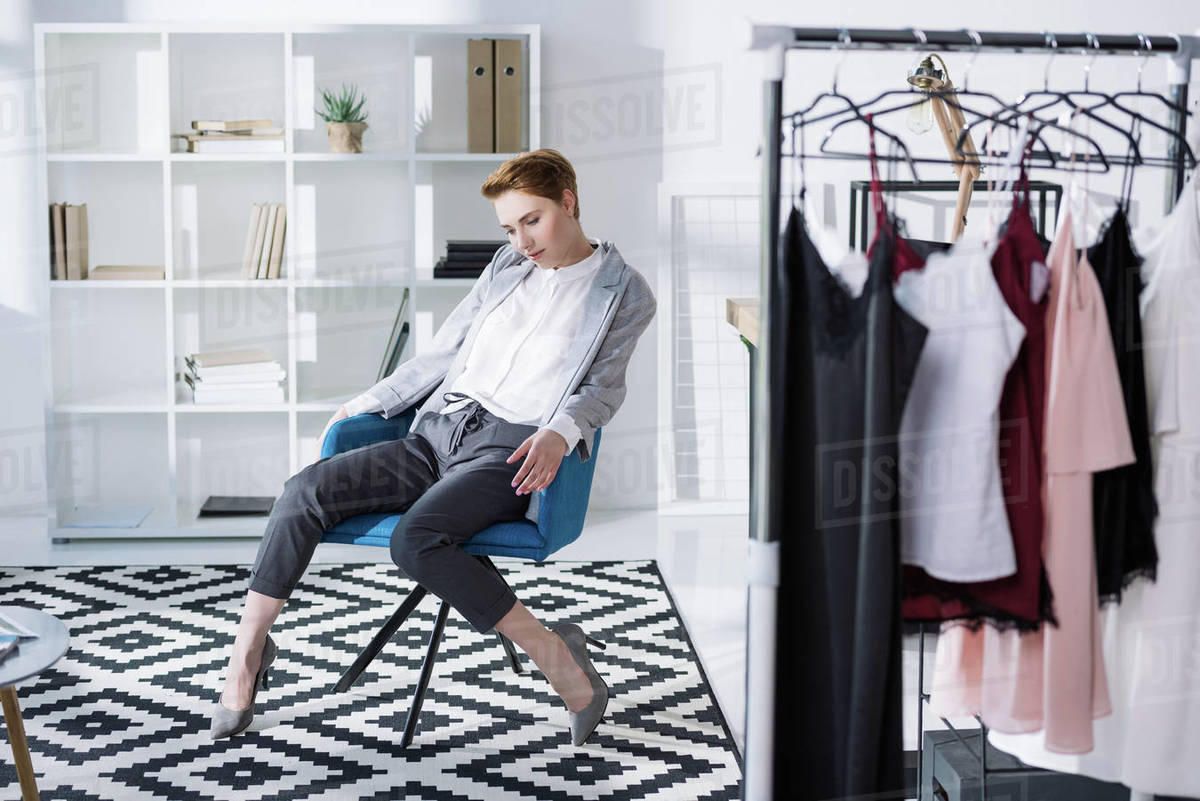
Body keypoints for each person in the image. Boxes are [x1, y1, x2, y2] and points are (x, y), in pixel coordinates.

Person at [208, 148, 657, 748]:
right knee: (303, 491)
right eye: (509, 227)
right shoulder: (505, 267)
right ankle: (248, 654)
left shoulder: (624, 291)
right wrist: (367, 401)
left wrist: (561, 432)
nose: (522, 240)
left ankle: (557, 657)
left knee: (414, 539)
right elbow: (443, 355)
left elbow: (603, 389)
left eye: (533, 220)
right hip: (439, 431)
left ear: (567, 203)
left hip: (511, 450)